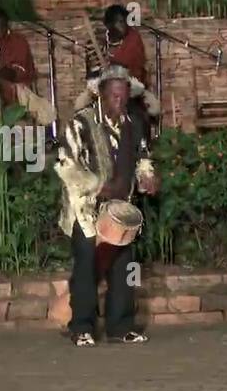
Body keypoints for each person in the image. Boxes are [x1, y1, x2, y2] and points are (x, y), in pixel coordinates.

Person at [54, 65, 160, 347]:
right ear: (100, 94)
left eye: (124, 96)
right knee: (87, 266)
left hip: (120, 212)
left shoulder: (135, 123)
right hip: (85, 210)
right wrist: (100, 186)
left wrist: (147, 177)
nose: (119, 101)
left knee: (123, 267)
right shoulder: (80, 123)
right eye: (114, 95)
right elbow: (66, 166)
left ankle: (120, 326)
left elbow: (142, 158)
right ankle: (82, 327)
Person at [77, 5, 157, 140]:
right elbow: (90, 73)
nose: (124, 26)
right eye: (119, 22)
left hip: (132, 87)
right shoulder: (98, 42)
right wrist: (97, 69)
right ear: (109, 25)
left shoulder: (133, 38)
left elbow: (136, 69)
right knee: (79, 106)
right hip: (101, 88)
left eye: (125, 21)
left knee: (154, 108)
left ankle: (141, 146)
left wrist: (113, 65)